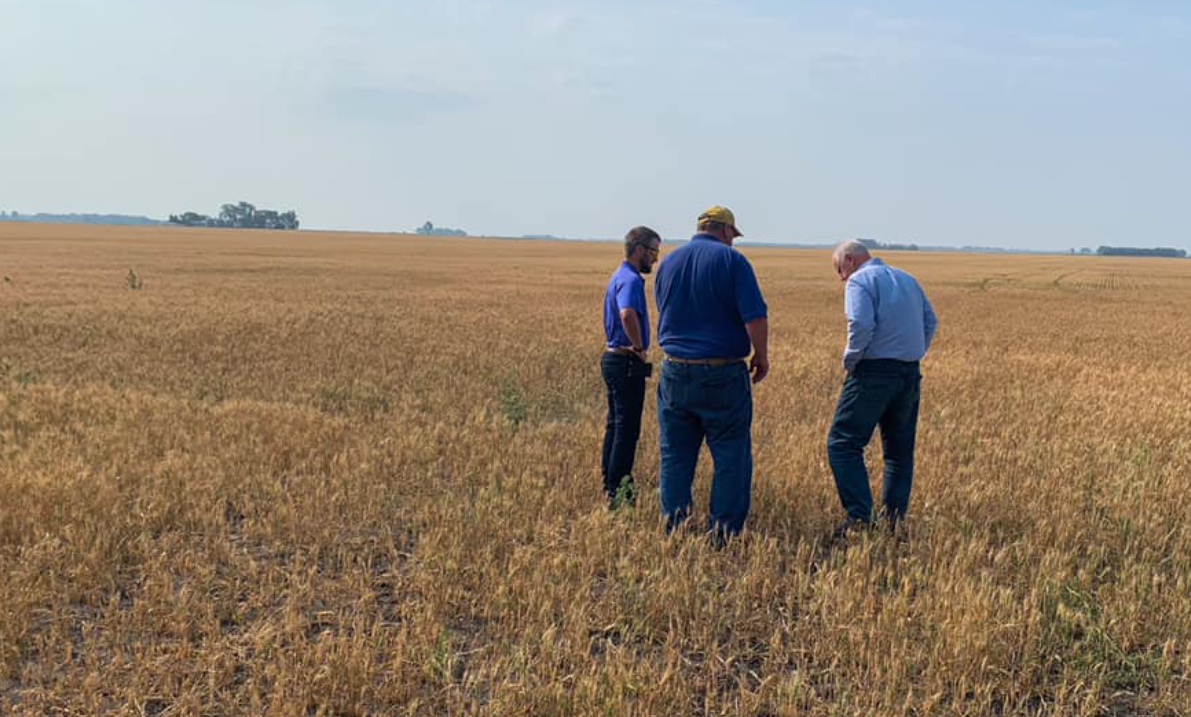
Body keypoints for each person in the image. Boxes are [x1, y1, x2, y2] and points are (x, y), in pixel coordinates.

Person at [654, 206, 769, 540]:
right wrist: (761, 355)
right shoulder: (732, 262)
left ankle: (674, 528)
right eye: (733, 236)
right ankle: (723, 533)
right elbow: (755, 317)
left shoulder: (669, 262)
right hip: (722, 372)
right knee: (730, 454)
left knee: (675, 453)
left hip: (674, 370)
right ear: (725, 232)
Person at [826, 240, 938, 535]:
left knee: (842, 444)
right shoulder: (907, 278)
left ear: (849, 260)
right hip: (909, 373)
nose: (841, 278)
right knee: (899, 451)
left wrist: (851, 360)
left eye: (839, 269)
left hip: (873, 371)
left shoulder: (860, 281)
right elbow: (930, 321)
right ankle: (892, 522)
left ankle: (861, 517)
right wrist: (912, 353)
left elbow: (861, 324)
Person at [601, 226, 662, 506]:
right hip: (625, 359)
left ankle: (610, 485)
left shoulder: (619, 275)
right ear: (638, 250)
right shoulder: (632, 281)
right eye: (652, 252)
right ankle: (620, 495)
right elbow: (627, 314)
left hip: (613, 357)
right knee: (627, 431)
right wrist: (638, 348)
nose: (656, 259)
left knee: (615, 427)